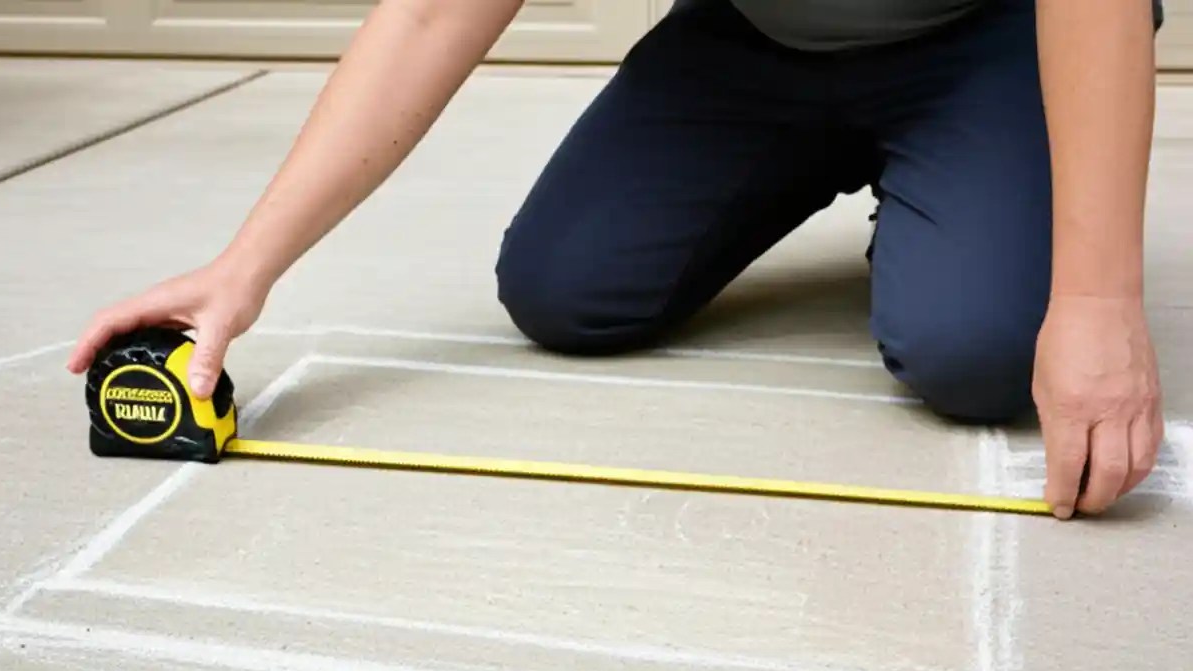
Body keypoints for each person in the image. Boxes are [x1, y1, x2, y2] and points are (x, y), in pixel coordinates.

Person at [66, 0, 1166, 520]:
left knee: (974, 351)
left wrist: (1096, 303)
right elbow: (429, 14)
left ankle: (955, 182)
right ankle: (904, 174)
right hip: (753, 43)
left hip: (987, 33)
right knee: (563, 288)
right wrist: (247, 266)